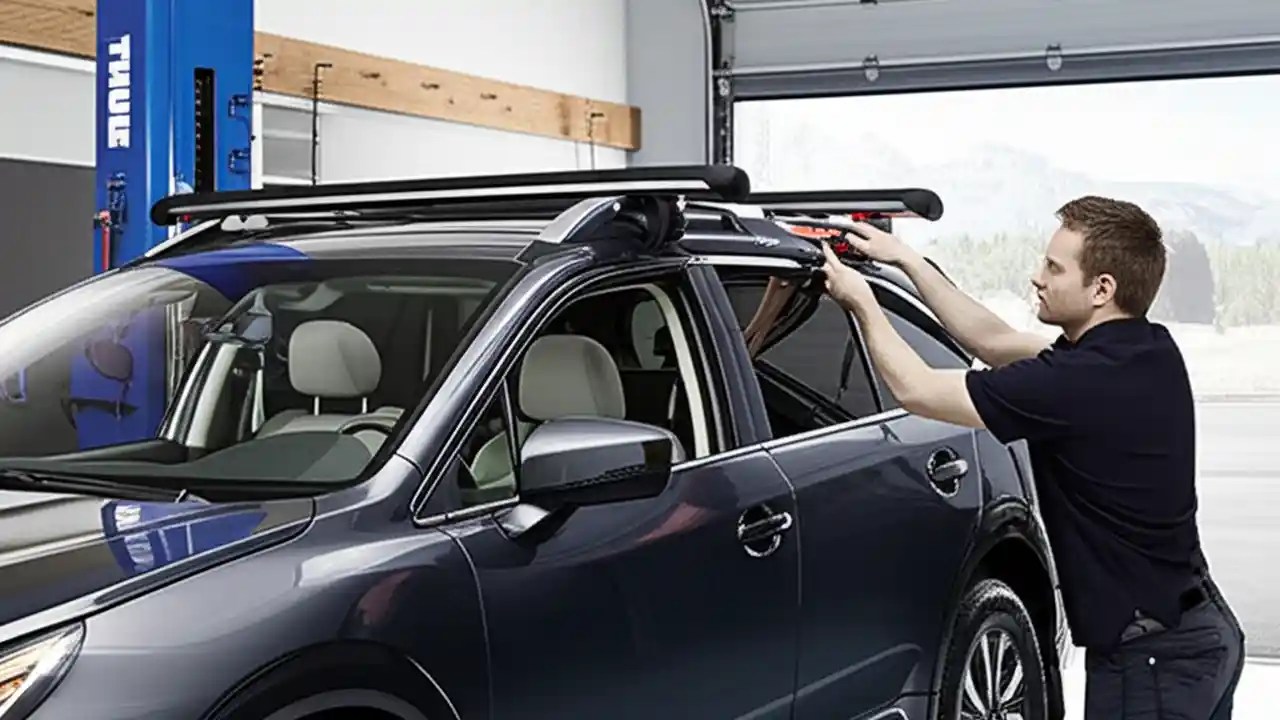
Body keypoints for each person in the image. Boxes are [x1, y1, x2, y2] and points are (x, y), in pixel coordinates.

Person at [819, 196, 1245, 719]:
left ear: (1102, 289)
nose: (1036, 276)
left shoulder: (1073, 384)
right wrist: (906, 260)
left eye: (1053, 267)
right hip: (1199, 634)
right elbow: (991, 339)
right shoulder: (1145, 350)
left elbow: (917, 388)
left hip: (1153, 659)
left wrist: (859, 301)